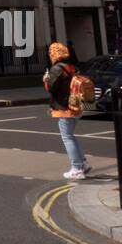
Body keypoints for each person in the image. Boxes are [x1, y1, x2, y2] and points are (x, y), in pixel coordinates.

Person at [46, 41, 91, 180]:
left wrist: (45, 79)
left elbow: (51, 87)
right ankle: (82, 163)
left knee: (67, 137)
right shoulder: (72, 67)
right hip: (75, 105)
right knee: (70, 136)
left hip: (64, 108)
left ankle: (77, 168)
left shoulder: (56, 69)